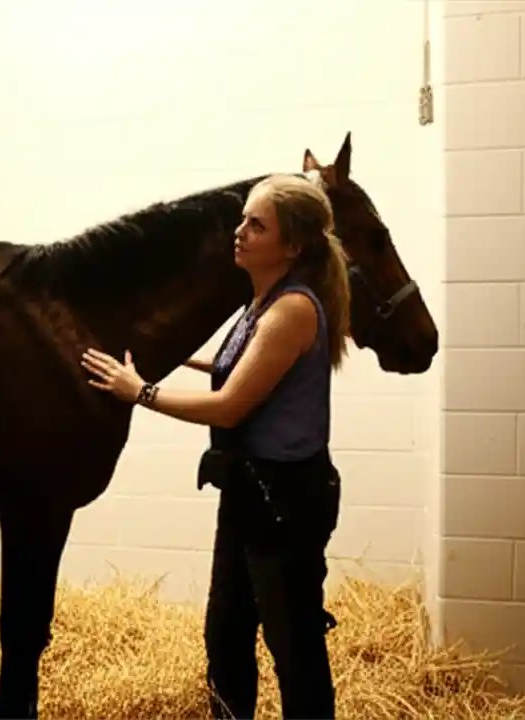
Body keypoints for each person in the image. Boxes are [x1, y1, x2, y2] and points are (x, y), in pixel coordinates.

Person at [80, 173, 349, 719]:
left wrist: (141, 392)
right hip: (251, 493)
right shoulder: (262, 304)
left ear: (292, 246)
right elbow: (243, 368)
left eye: (257, 225)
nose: (240, 232)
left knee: (293, 646)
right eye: (243, 219)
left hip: (285, 501)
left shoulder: (291, 310)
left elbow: (230, 404)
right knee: (225, 634)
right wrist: (167, 353)